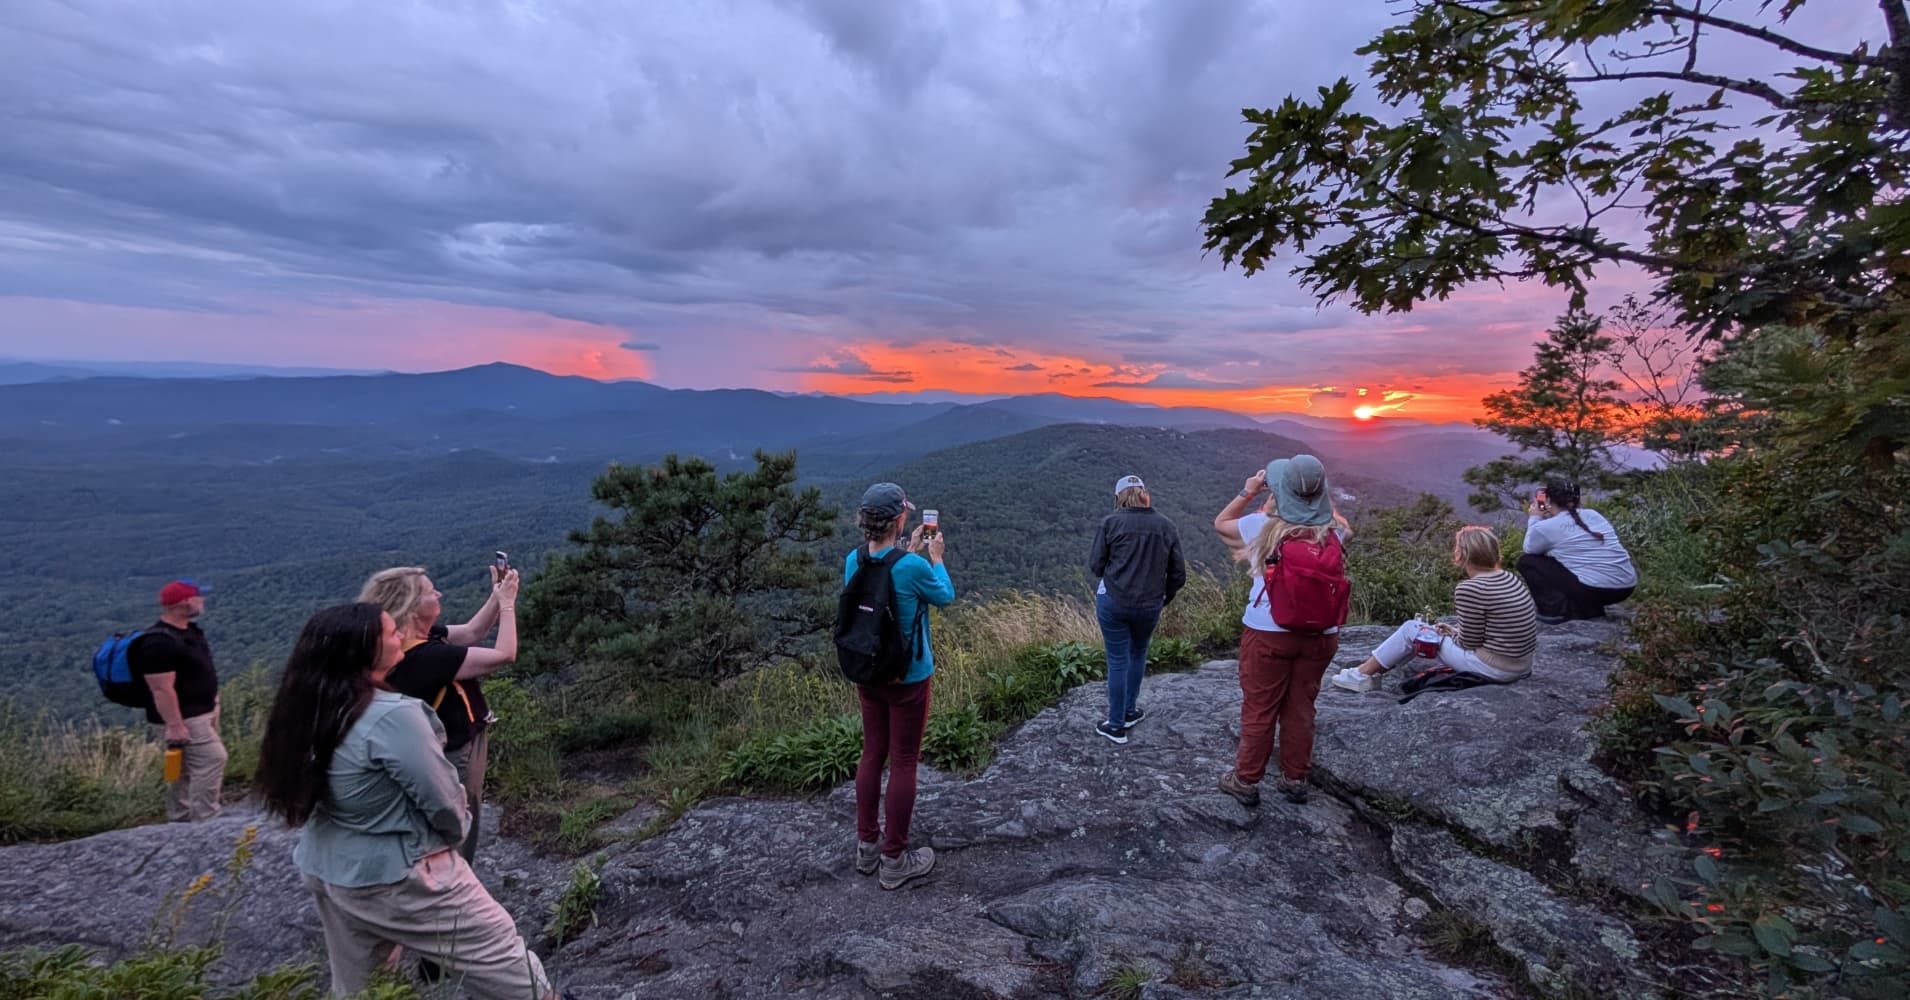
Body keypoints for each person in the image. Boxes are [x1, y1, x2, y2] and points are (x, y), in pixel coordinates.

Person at [255, 603, 559, 1000]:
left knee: (362, 989)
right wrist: (456, 836)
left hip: (330, 869)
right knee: (514, 972)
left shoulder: (308, 706)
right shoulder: (393, 717)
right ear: (364, 651)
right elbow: (443, 800)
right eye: (389, 632)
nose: (399, 634)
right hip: (404, 874)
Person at [358, 564, 518, 864]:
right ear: (412, 606)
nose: (439, 594)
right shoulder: (422, 657)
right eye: (432, 592)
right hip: (455, 751)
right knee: (460, 821)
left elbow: (473, 631)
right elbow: (505, 654)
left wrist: (497, 596)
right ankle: (456, 885)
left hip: (448, 744)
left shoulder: (410, 640)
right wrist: (508, 603)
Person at [1211, 456, 1348, 806]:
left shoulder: (1262, 527)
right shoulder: (1335, 531)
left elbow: (1221, 523)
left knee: (1260, 707)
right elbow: (1342, 525)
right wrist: (1316, 501)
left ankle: (1245, 779)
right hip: (1321, 634)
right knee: (1301, 706)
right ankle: (1295, 777)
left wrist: (1250, 489)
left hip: (1269, 632)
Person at [846, 482, 955, 890]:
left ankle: (867, 847)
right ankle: (895, 859)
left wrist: (905, 552)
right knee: (904, 761)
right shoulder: (913, 567)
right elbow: (944, 595)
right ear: (900, 519)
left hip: (868, 672)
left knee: (872, 752)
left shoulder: (852, 560)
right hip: (908, 675)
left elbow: (884, 583)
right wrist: (936, 558)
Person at [1330, 525, 1539, 692]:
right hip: (1521, 665)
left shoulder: (1470, 588)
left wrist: (1452, 636)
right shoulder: (1507, 577)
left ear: (1462, 554)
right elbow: (1494, 629)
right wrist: (1455, 631)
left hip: (1495, 668)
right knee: (1423, 632)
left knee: (1412, 629)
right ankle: (1374, 674)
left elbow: (1469, 642)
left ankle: (1361, 675)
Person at [1087, 474, 1186, 745]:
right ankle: (1130, 710)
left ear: (1118, 497)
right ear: (1145, 494)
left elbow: (1096, 566)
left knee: (1117, 660)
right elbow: (1178, 574)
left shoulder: (1110, 523)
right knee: (1138, 652)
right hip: (1150, 604)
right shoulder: (1166, 526)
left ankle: (1116, 724)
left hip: (1114, 602)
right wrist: (1163, 598)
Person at [130, 579, 227, 822]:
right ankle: (206, 818)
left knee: (182, 769)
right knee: (213, 758)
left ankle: (180, 817)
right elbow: (161, 689)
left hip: (201, 712)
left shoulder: (189, 632)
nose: (202, 601)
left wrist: (213, 700)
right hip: (185, 717)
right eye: (198, 597)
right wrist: (174, 724)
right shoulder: (158, 642)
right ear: (184, 603)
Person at [1515, 481, 1637, 623]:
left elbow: (1529, 549)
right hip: (1626, 587)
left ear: (1548, 500)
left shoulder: (1545, 527)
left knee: (1527, 561)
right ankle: (1590, 608)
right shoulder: (1594, 514)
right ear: (1578, 499)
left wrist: (1535, 517)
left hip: (1594, 590)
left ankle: (1554, 611)